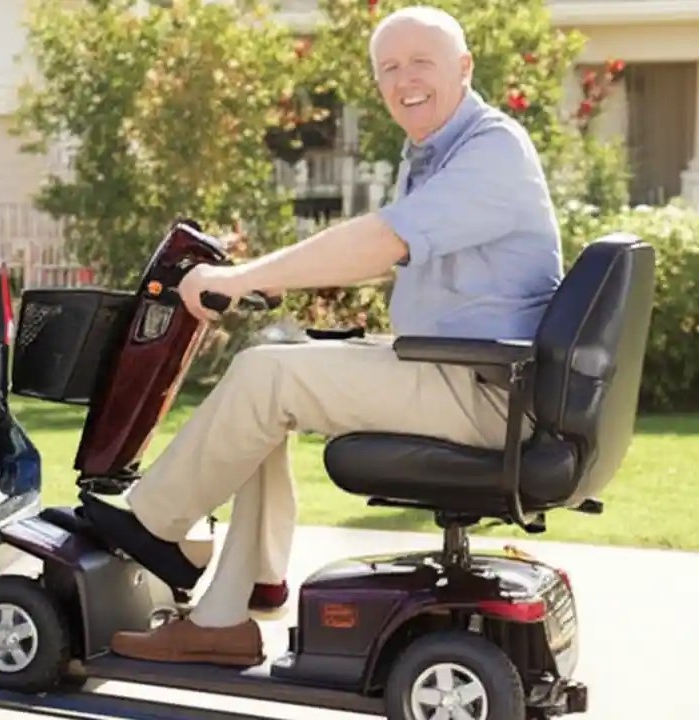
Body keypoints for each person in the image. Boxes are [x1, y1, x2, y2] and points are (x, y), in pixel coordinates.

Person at [79, 5, 564, 667]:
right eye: (389, 68)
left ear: (464, 67)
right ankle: (239, 600)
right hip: (468, 374)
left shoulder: (492, 150)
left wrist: (248, 274)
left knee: (268, 376)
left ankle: (155, 529)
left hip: (486, 390)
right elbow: (388, 249)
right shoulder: (433, 151)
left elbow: (382, 242)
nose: (404, 80)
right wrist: (270, 278)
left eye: (421, 62)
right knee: (275, 370)